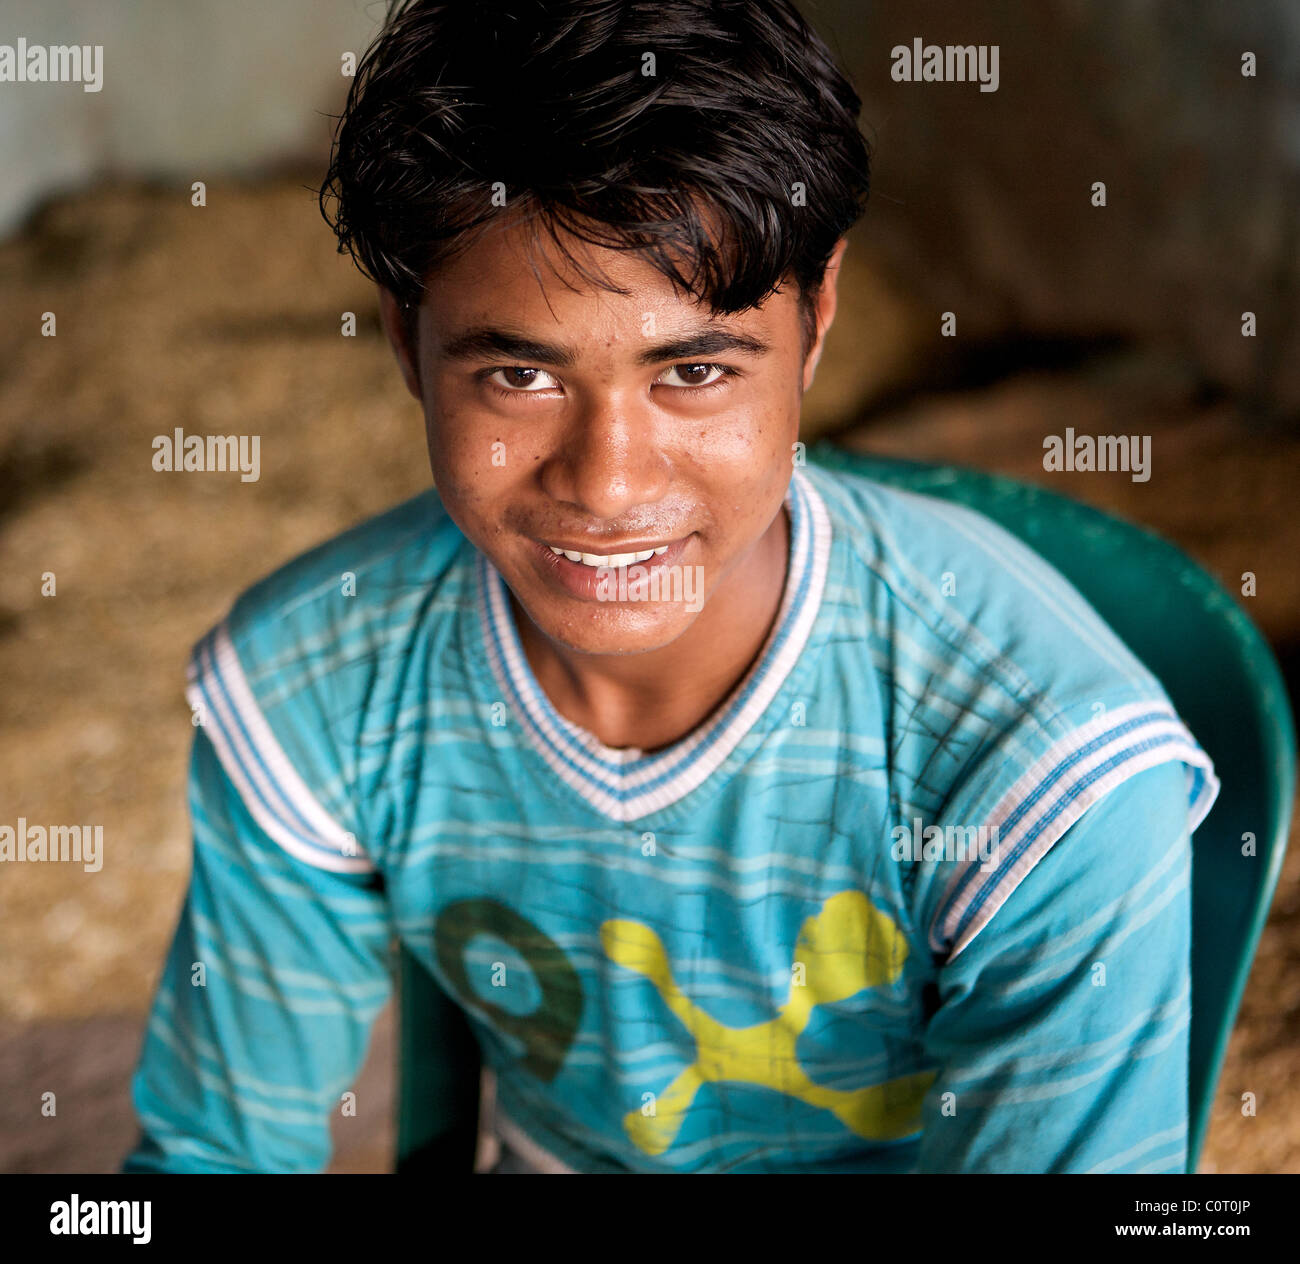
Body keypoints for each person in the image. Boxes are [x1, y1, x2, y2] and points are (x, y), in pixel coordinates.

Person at [122, 0, 1218, 1174]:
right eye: (517, 374)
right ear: (406, 341)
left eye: (693, 369)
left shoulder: (1040, 775)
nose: (606, 482)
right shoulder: (310, 690)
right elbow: (212, 1156)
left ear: (815, 321)